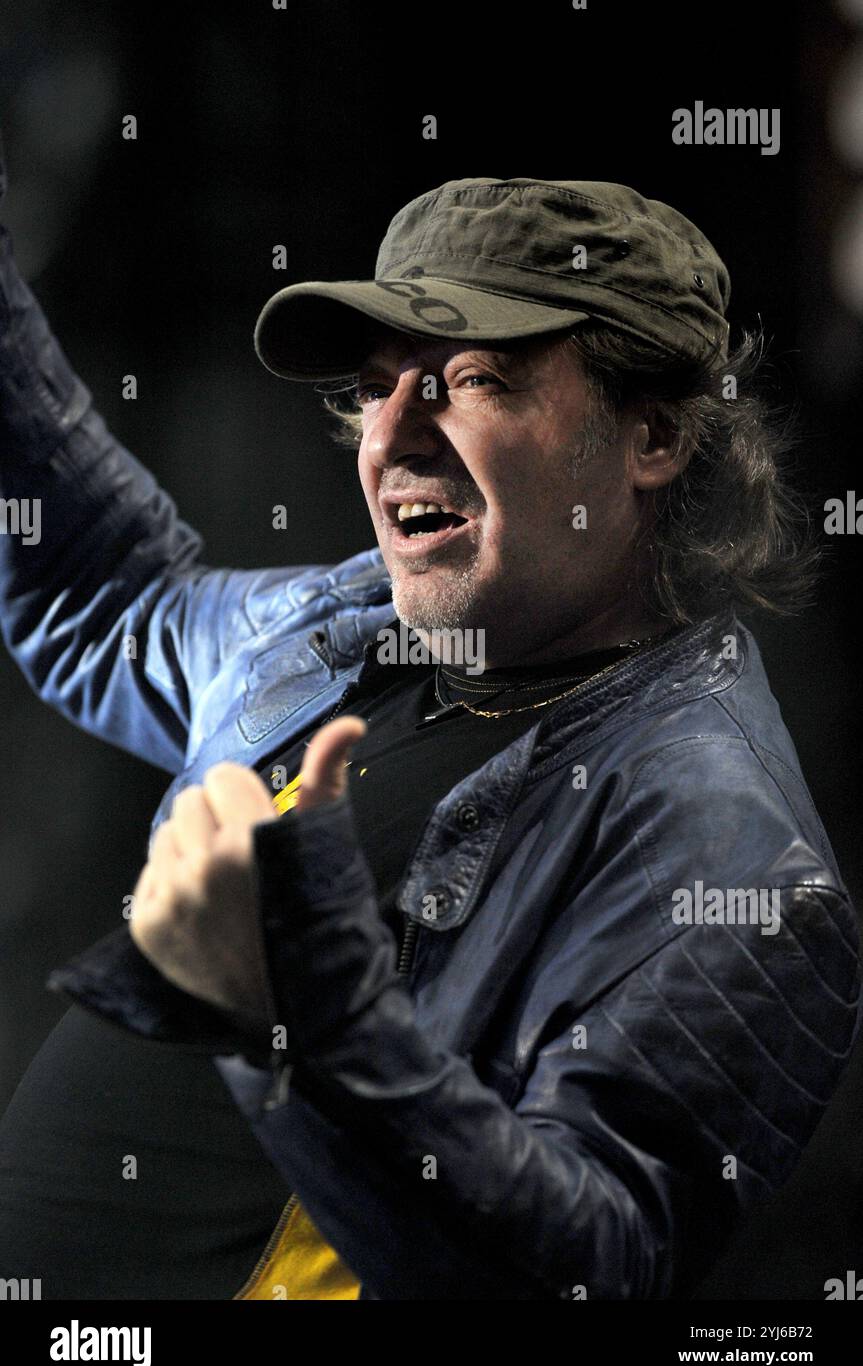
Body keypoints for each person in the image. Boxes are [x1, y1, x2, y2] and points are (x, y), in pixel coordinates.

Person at [1, 168, 860, 1300]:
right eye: (372, 388)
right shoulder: (348, 623)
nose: (392, 438)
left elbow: (580, 1276)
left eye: (471, 381)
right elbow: (105, 596)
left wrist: (290, 1009)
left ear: (649, 435)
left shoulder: (732, 857)